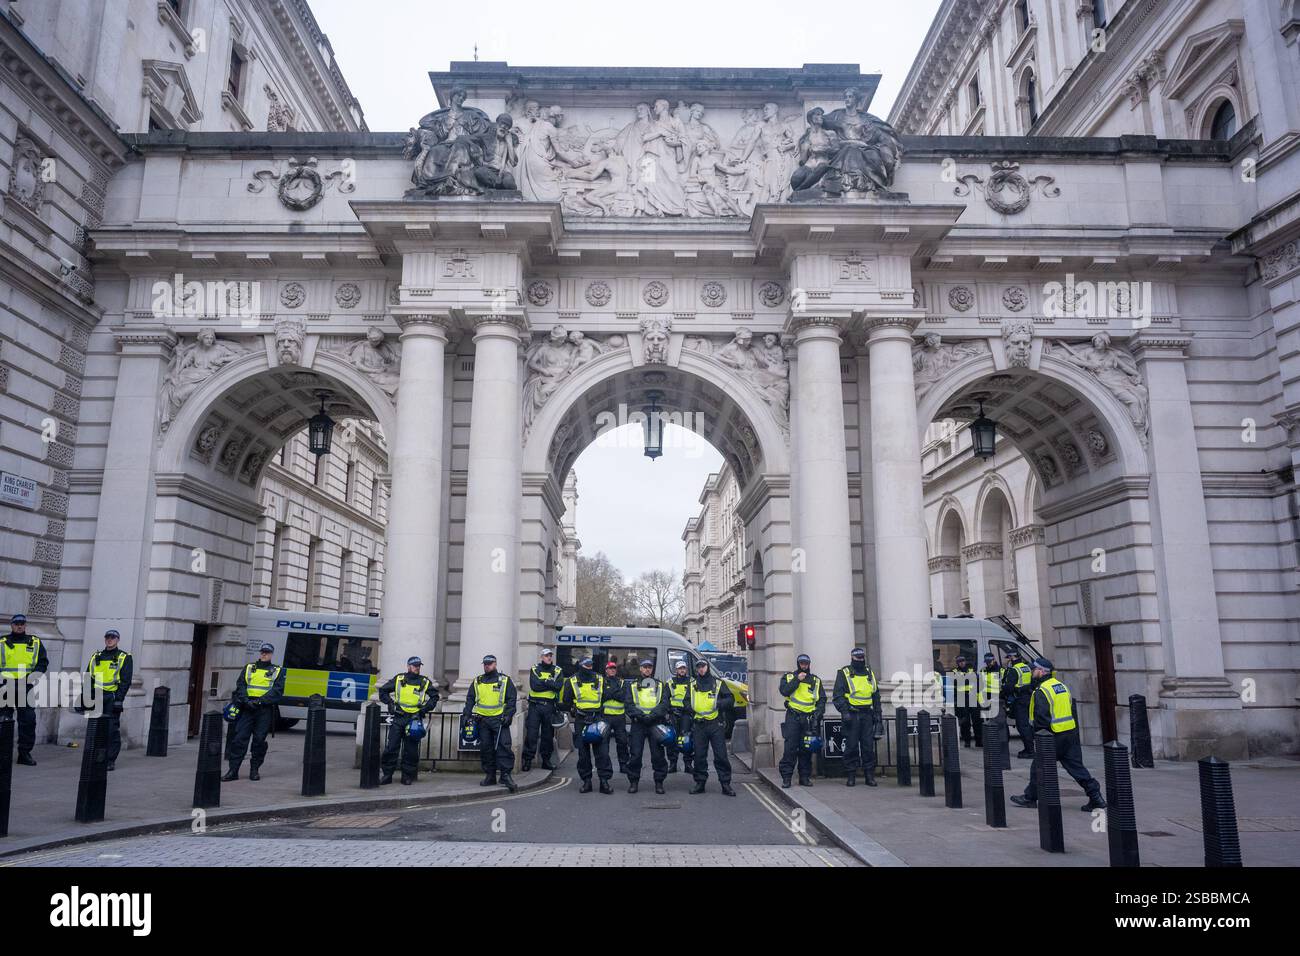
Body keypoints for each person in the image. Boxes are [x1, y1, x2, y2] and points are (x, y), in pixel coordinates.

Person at [1010, 659, 1107, 812]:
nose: (1031, 672)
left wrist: (1039, 736)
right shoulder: (1062, 686)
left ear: (1041, 671)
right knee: (1076, 768)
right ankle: (1095, 795)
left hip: (1052, 736)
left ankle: (1029, 798)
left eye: (1034, 669)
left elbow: (1041, 717)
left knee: (1037, 767)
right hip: (1069, 734)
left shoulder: (1042, 690)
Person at [222, 642, 285, 781]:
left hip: (264, 710)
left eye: (267, 652)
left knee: (259, 741)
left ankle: (254, 770)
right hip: (247, 708)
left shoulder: (278, 671)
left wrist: (260, 701)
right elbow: (241, 686)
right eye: (262, 652)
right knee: (239, 740)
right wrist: (246, 701)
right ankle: (233, 771)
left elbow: (277, 691)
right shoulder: (249, 667)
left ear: (271, 654)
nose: (264, 654)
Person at [376, 656, 440, 785]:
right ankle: (387, 775)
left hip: (414, 719)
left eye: (418, 666)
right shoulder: (400, 679)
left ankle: (407, 776)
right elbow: (383, 691)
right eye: (415, 665)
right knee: (391, 747)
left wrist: (423, 710)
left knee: (411, 750)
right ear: (408, 666)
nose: (417, 668)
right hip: (399, 717)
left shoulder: (424, 682)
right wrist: (390, 704)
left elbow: (434, 697)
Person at [559, 657, 618, 793]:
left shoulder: (600, 678)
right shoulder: (572, 681)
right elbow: (567, 701)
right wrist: (573, 710)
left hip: (597, 718)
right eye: (587, 665)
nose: (589, 667)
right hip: (581, 720)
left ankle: (604, 782)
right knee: (583, 754)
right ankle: (587, 782)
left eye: (591, 665)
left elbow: (606, 696)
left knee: (602, 753)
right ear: (581, 665)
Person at [461, 654, 518, 793]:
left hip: (499, 720)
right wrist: (466, 715)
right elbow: (470, 699)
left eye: (490, 663)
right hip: (482, 721)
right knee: (486, 749)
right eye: (485, 664)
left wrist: (508, 715)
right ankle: (490, 775)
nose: (487, 666)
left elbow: (511, 700)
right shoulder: (478, 681)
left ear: (495, 664)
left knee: (504, 747)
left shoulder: (504, 680)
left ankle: (505, 775)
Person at [1, 613, 47, 766]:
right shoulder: (2, 642)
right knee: (3, 721)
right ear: (11, 625)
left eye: (22, 623)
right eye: (16, 623)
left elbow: (42, 663)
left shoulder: (34, 642)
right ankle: (3, 754)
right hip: (5, 686)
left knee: (27, 721)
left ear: (25, 625)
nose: (19, 626)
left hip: (25, 686)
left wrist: (32, 678)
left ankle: (24, 753)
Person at [685, 658, 735, 796]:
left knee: (721, 755)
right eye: (699, 667)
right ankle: (700, 783)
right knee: (699, 756)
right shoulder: (692, 684)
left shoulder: (718, 683)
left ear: (708, 667)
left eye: (703, 666)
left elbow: (730, 700)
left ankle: (725, 784)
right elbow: (686, 701)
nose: (701, 669)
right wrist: (691, 709)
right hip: (699, 725)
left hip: (715, 724)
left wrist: (719, 703)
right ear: (696, 669)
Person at [833, 648, 883, 787]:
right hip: (852, 714)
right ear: (852, 658)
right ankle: (851, 775)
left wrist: (878, 716)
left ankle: (869, 776)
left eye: (862, 657)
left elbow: (876, 696)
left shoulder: (869, 673)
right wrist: (844, 712)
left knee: (868, 747)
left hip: (867, 714)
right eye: (858, 658)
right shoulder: (844, 673)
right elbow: (838, 695)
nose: (860, 660)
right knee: (851, 746)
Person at [85, 628, 133, 770]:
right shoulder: (96, 656)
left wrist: (119, 699)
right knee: (94, 729)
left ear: (118, 640)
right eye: (108, 637)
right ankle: (94, 757)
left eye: (113, 637)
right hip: (97, 697)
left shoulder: (124, 657)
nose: (110, 640)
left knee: (111, 730)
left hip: (111, 698)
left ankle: (110, 760)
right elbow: (88, 678)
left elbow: (125, 681)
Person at [777, 653, 825, 789]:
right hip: (793, 716)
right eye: (802, 663)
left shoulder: (815, 680)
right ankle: (786, 777)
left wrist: (817, 715)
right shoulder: (789, 677)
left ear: (809, 664)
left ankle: (804, 777)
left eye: (806, 663)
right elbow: (784, 691)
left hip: (808, 719)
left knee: (806, 749)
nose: (804, 666)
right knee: (790, 748)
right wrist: (797, 680)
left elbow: (822, 700)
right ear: (798, 664)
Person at [624, 658, 671, 794]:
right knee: (635, 755)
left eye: (649, 667)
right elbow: (628, 704)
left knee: (658, 756)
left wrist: (652, 716)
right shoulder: (632, 685)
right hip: (638, 724)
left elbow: (664, 704)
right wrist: (641, 716)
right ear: (640, 669)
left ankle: (659, 783)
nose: (647, 669)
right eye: (644, 667)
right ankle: (633, 782)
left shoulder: (660, 685)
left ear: (652, 669)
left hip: (655, 723)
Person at [521, 648, 563, 772]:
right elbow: (535, 686)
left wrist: (543, 682)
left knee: (547, 736)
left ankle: (546, 761)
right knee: (531, 735)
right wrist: (549, 682)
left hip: (549, 707)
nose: (549, 657)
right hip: (535, 706)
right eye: (546, 656)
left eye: (550, 655)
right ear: (541, 657)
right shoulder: (535, 669)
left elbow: (558, 687)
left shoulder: (557, 670)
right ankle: (527, 760)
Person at [602, 658, 631, 776]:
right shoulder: (602, 682)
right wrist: (615, 693)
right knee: (604, 743)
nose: (612, 670)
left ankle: (623, 765)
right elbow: (603, 696)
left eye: (614, 668)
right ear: (606, 670)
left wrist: (611, 693)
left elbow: (623, 697)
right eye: (610, 668)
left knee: (623, 742)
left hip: (619, 717)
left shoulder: (622, 682)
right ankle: (606, 766)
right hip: (606, 716)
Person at [1005, 650, 1035, 757]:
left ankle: (1030, 750)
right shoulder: (1026, 667)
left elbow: (1009, 687)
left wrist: (1004, 691)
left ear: (1012, 658)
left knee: (1022, 725)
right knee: (1027, 724)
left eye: (1009, 657)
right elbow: (1032, 682)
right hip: (1028, 698)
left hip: (1019, 700)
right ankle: (1030, 747)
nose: (1008, 660)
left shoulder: (1014, 670)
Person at [664, 659, 691, 773]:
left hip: (686, 714)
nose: (682, 670)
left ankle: (688, 764)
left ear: (686, 669)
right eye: (680, 668)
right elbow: (665, 698)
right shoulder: (670, 682)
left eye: (684, 668)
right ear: (676, 670)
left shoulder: (692, 681)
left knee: (686, 740)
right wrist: (670, 710)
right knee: (672, 740)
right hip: (673, 714)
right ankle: (673, 764)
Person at [952, 655, 982, 748]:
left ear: (965, 661)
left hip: (972, 697)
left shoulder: (971, 670)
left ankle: (979, 741)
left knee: (977, 721)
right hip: (961, 698)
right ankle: (967, 741)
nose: (961, 663)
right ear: (957, 663)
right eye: (959, 661)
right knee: (965, 722)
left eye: (963, 661)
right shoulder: (955, 672)